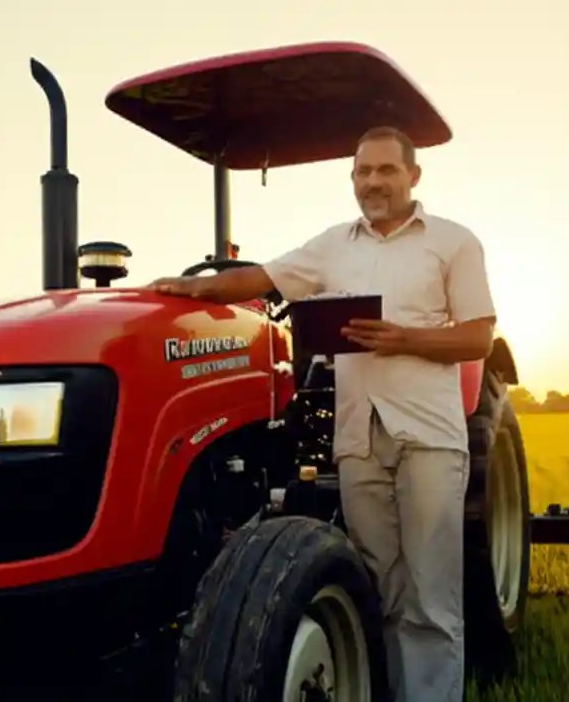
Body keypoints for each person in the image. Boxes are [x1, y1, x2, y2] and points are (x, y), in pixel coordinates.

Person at [145, 125, 497, 702]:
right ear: (352, 179)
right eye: (363, 172)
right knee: (378, 585)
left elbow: (478, 339)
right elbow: (259, 280)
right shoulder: (333, 245)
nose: (373, 182)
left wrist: (402, 338)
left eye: (386, 170)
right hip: (358, 439)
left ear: (413, 175)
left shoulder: (454, 242)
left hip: (428, 437)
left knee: (432, 598)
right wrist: (183, 291)